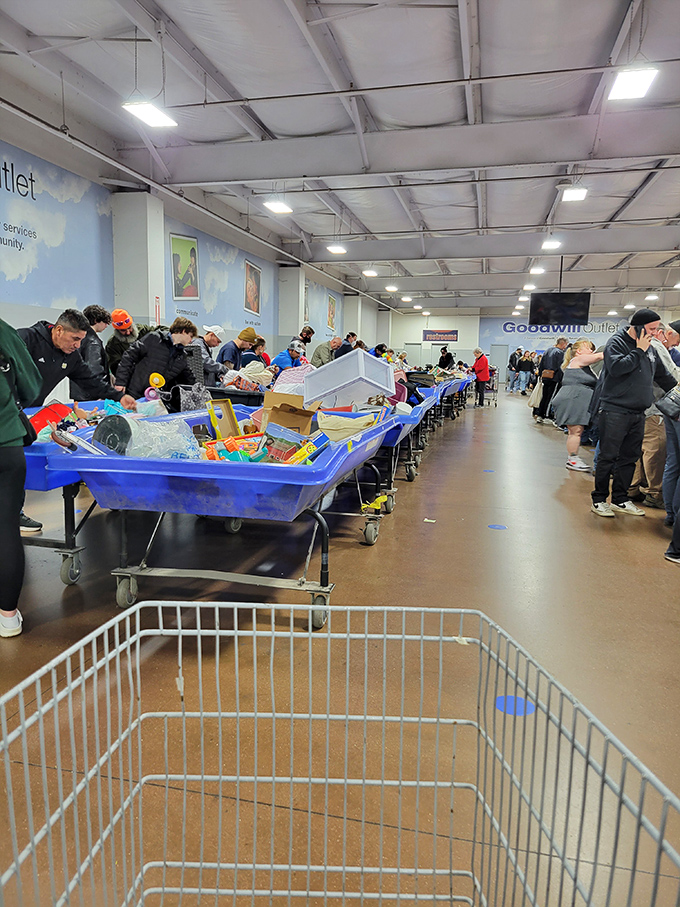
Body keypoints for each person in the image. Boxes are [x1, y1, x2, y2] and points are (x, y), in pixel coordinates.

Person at [18, 309, 137, 533]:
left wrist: (119, 396)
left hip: (24, 413)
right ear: (59, 329)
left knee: (14, 465)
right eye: (75, 339)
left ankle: (14, 513)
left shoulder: (70, 356)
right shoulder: (25, 339)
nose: (77, 345)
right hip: (7, 410)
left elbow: (90, 382)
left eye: (81, 340)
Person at [590, 309, 676, 518]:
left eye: (657, 329)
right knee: (608, 457)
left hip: (639, 412)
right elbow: (617, 368)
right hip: (614, 410)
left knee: (629, 458)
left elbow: (664, 377)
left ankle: (620, 499)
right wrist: (639, 350)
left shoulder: (652, 349)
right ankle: (599, 499)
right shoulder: (617, 342)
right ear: (638, 327)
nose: (656, 333)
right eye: (652, 329)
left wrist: (677, 391)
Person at [0, 318, 42, 636]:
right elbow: (30, 386)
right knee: (6, 528)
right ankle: (8, 617)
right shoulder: (3, 331)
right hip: (5, 443)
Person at [550, 340, 603, 471]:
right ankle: (572, 459)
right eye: (589, 348)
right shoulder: (577, 360)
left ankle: (573, 458)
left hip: (575, 399)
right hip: (572, 400)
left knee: (576, 431)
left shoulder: (581, 364)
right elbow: (599, 356)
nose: (591, 351)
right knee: (575, 432)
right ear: (579, 351)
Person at [115, 317, 198, 399]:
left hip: (155, 400)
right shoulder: (153, 338)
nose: (190, 340)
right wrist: (120, 382)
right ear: (183, 331)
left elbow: (189, 379)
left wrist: (199, 392)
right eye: (190, 336)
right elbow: (128, 357)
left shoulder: (182, 356)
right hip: (134, 394)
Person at [69, 305, 111, 400]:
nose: (106, 326)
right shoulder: (93, 341)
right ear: (96, 320)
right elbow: (93, 368)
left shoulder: (80, 338)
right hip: (90, 395)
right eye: (105, 322)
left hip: (79, 391)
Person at [105, 309, 159, 380]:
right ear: (117, 330)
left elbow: (159, 330)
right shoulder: (113, 345)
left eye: (129, 328)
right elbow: (116, 368)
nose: (128, 332)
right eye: (123, 330)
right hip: (132, 379)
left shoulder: (143, 330)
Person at [535, 337, 569, 423]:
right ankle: (547, 414)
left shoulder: (547, 350)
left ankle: (540, 414)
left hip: (545, 376)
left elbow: (541, 364)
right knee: (551, 397)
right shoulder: (560, 353)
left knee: (544, 396)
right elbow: (561, 366)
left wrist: (540, 375)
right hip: (555, 378)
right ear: (563, 344)